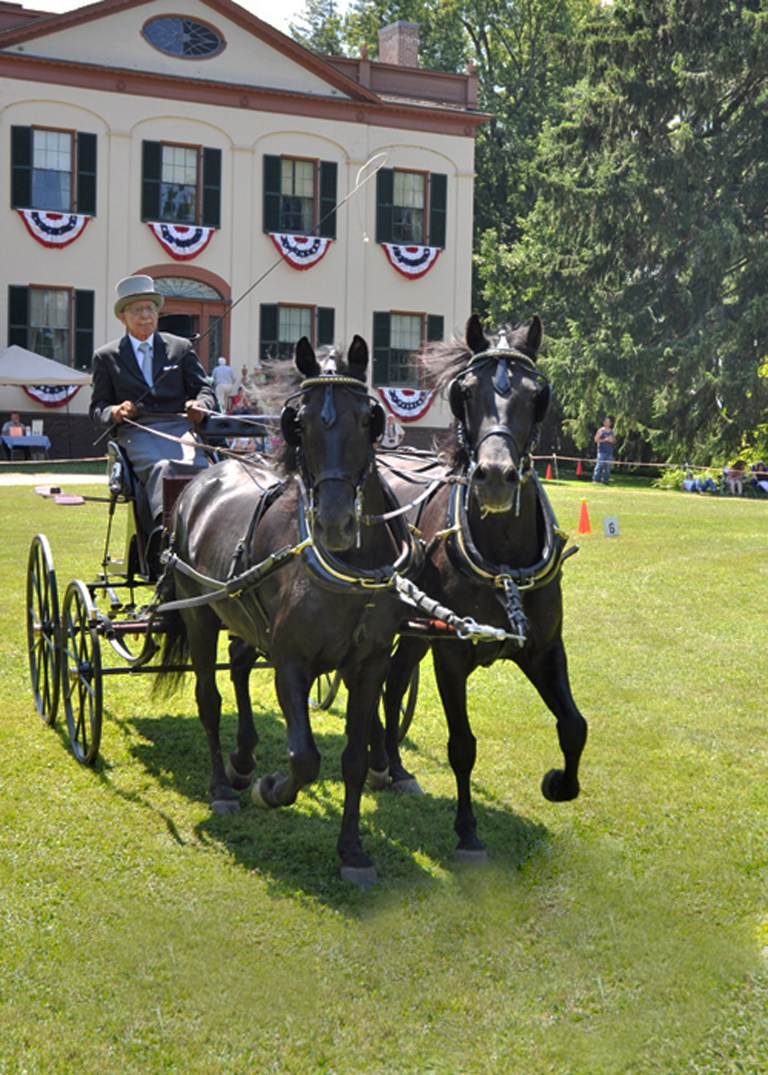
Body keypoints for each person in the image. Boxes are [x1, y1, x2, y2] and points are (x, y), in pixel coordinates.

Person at [89, 274, 216, 544]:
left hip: (181, 426)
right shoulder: (106, 356)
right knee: (163, 468)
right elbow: (97, 407)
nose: (146, 316)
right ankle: (165, 536)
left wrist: (200, 405)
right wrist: (114, 412)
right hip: (138, 431)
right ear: (123, 317)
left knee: (202, 467)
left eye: (151, 308)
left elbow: (204, 390)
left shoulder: (180, 347)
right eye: (137, 310)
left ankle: (207, 532)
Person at [592, 416, 615, 485]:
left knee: (607, 467)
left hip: (609, 452)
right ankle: (595, 480)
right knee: (599, 465)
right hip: (601, 452)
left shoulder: (611, 431)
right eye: (606, 422)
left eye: (609, 422)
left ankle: (605, 481)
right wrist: (605, 440)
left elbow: (614, 441)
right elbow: (596, 439)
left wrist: (612, 440)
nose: (608, 423)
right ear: (604, 423)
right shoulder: (601, 431)